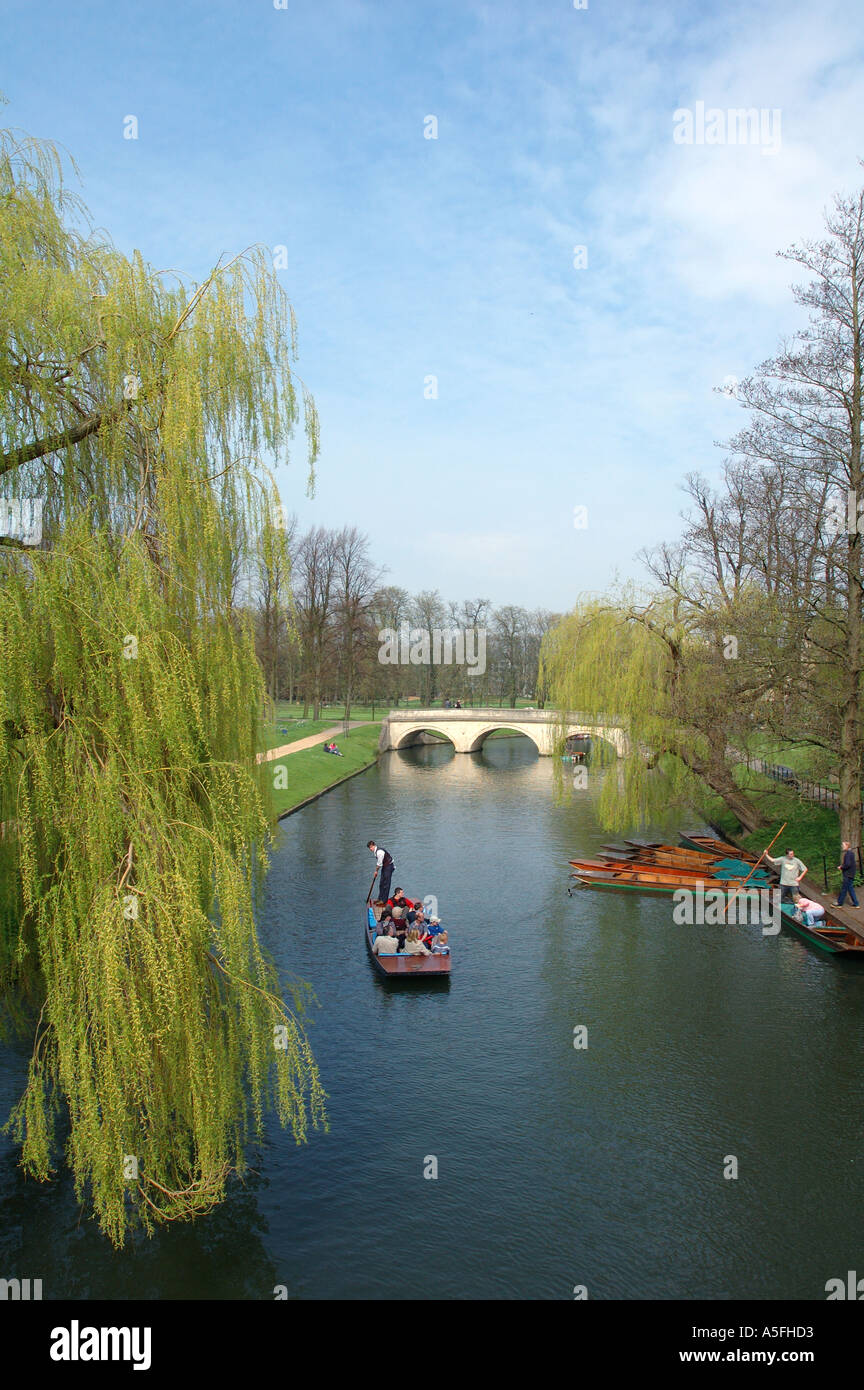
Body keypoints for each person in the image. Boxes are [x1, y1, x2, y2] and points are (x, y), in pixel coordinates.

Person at [836, 841, 860, 908]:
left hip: (848, 874)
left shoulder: (848, 854)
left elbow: (848, 864)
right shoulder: (851, 853)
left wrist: (841, 867)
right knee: (850, 888)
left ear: (847, 846)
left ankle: (839, 903)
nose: (842, 846)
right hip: (851, 874)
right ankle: (856, 903)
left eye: (843, 845)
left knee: (844, 889)